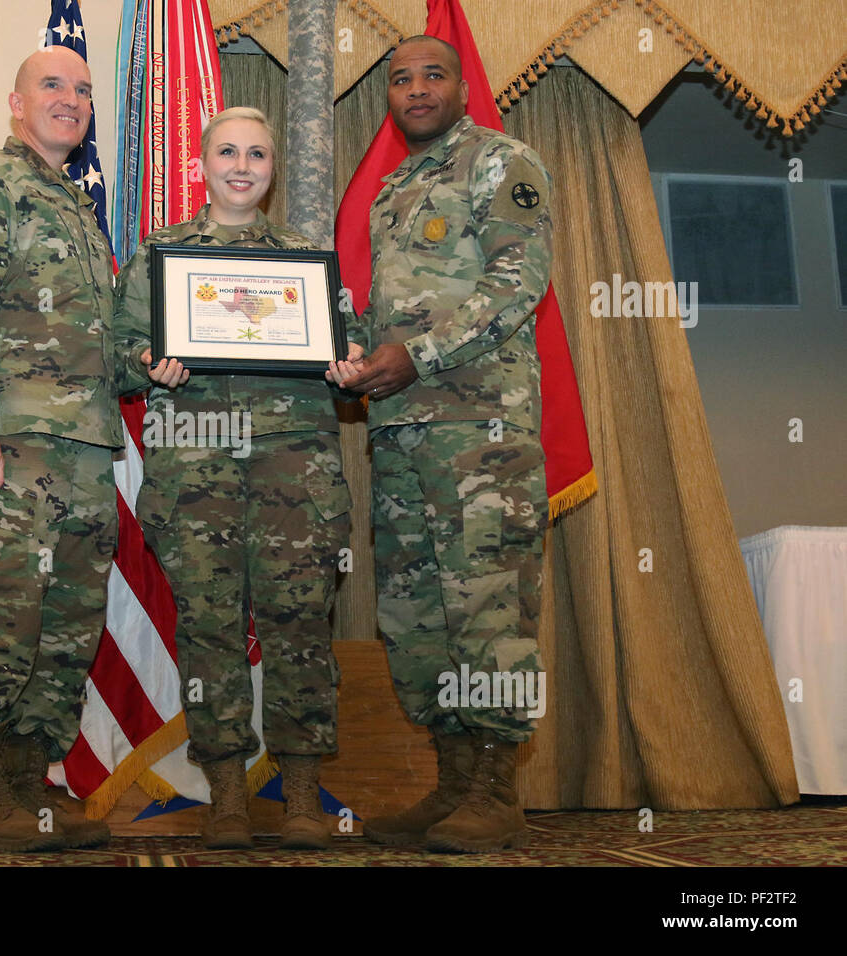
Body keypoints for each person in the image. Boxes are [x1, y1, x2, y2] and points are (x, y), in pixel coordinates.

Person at [115, 107, 359, 850]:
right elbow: (119, 349)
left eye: (257, 153)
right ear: (203, 163)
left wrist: (348, 367)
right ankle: (225, 791)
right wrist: (149, 363)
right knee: (210, 627)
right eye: (227, 151)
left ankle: (301, 795)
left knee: (299, 628)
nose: (242, 165)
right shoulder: (162, 254)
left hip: (297, 468)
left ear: (272, 167)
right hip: (196, 467)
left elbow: (352, 354)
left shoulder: (308, 259)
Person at [337, 35, 552, 853]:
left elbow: (514, 286)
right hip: (399, 436)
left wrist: (414, 356)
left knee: (488, 606)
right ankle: (453, 783)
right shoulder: (393, 191)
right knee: (417, 614)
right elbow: (390, 314)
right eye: (401, 79)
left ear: (462, 86)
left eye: (433, 75)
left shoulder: (504, 163)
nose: (416, 89)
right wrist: (350, 355)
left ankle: (495, 792)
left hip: (481, 436)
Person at [0, 45, 122, 853]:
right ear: (16, 101)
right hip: (10, 447)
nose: (69, 100)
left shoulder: (76, 206)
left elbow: (92, 338)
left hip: (83, 450)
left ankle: (34, 780)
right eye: (52, 85)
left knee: (66, 624)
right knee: (0, 619)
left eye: (80, 89)